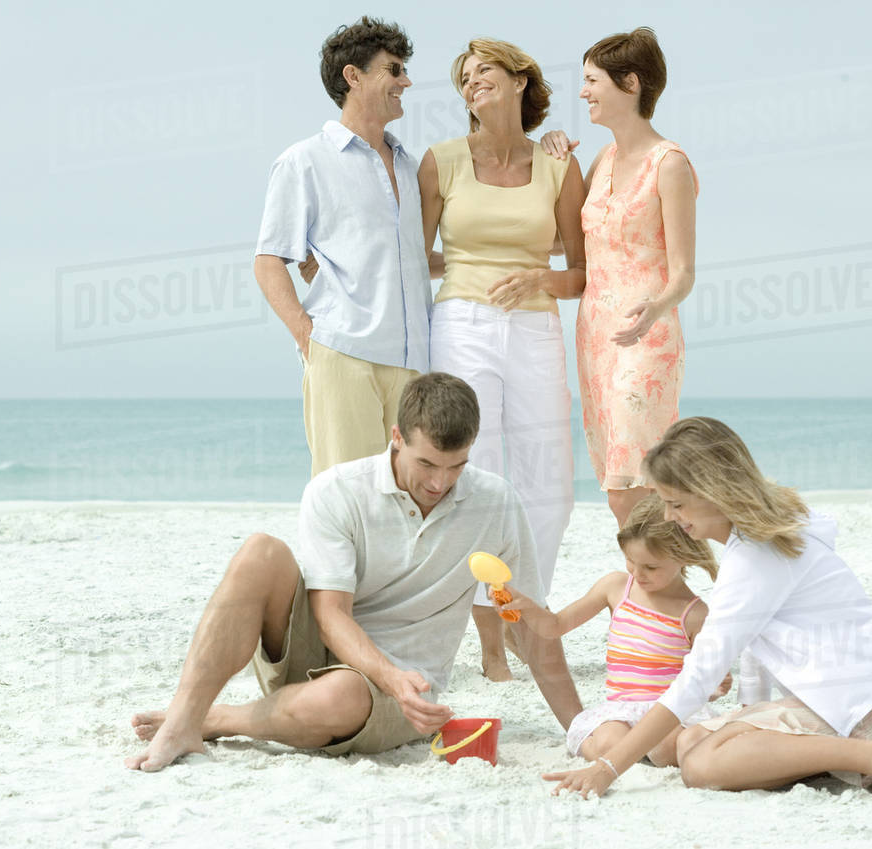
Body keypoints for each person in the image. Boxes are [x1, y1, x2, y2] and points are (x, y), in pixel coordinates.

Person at [125, 373, 582, 772]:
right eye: (426, 463)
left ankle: (219, 718)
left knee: (338, 696)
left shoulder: (495, 503)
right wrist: (387, 674)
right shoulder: (338, 490)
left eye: (456, 466)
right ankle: (183, 722)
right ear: (397, 436)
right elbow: (331, 615)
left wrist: (583, 729)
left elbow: (533, 627)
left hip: (400, 687)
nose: (439, 483)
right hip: (319, 649)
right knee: (259, 552)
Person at [543, 417, 872, 799]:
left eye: (677, 504)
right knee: (690, 739)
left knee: (700, 766)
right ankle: (847, 753)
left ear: (711, 492)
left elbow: (696, 679)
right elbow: (756, 637)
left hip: (866, 713)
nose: (669, 517)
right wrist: (749, 715)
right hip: (863, 695)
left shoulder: (753, 558)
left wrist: (607, 768)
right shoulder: (769, 530)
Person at [419, 38, 587, 681]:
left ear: (520, 80)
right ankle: (492, 642)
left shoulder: (558, 165)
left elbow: (580, 271)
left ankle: (521, 616)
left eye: (484, 69)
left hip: (536, 328)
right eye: (464, 77)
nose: (472, 82)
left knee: (552, 489)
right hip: (461, 324)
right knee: (476, 478)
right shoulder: (441, 161)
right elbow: (416, 256)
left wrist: (540, 279)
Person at [254, 16, 431, 478]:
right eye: (394, 70)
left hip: (413, 364)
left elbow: (408, 260)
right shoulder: (304, 161)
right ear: (353, 76)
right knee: (345, 496)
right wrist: (307, 336)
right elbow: (269, 261)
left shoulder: (411, 167)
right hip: (344, 353)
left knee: (406, 498)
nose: (406, 81)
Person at [543, 28, 699, 528]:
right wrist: (552, 166)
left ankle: (666, 574)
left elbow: (684, 273)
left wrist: (655, 309)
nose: (583, 92)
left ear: (630, 83)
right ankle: (657, 575)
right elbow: (566, 242)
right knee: (624, 487)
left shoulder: (669, 164)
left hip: (645, 337)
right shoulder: (602, 159)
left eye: (592, 81)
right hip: (595, 337)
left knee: (630, 486)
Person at [502, 496, 729, 766]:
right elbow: (555, 626)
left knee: (667, 747)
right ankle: (627, 751)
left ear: (683, 556)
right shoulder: (616, 588)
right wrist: (526, 606)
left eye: (651, 567)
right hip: (621, 710)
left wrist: (713, 687)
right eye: (630, 560)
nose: (638, 573)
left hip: (668, 711)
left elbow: (711, 677)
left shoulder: (694, 614)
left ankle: (642, 753)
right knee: (606, 743)